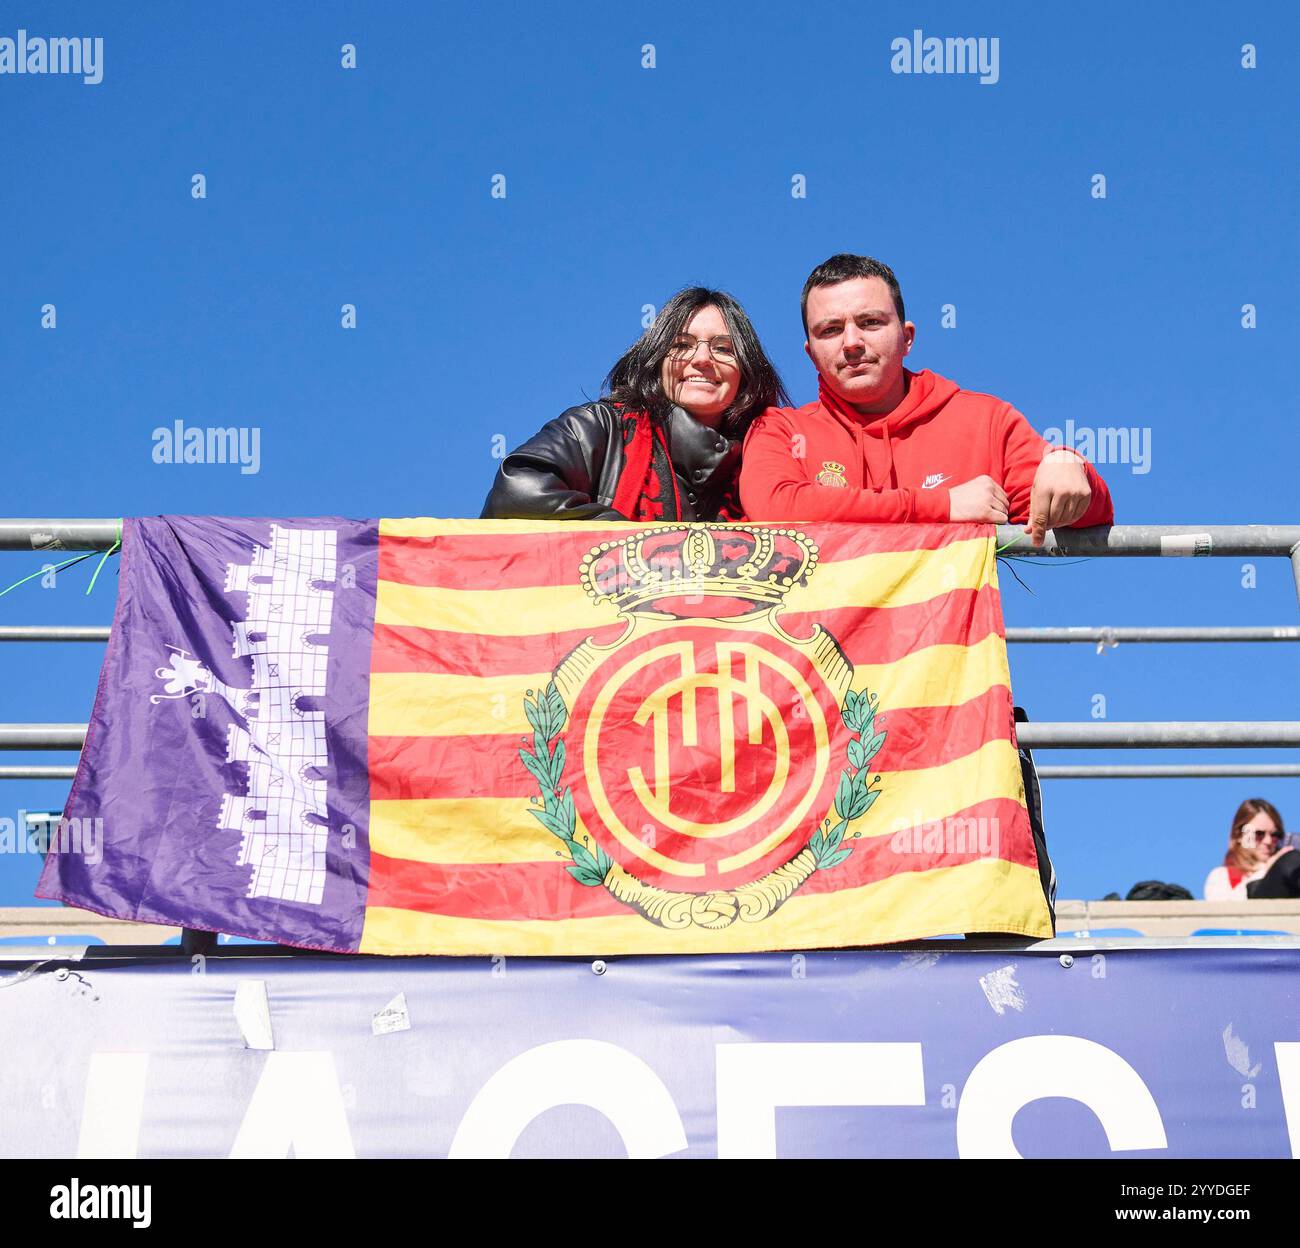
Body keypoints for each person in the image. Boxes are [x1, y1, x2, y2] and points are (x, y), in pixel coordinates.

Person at [738, 253, 1114, 543]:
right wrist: (944, 505)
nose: (851, 343)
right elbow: (776, 507)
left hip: (945, 645)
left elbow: (1086, 513)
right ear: (811, 353)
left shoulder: (983, 422)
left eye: (870, 322)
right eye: (831, 329)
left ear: (908, 338)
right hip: (817, 643)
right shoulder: (780, 430)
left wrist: (1070, 464)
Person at [482, 288, 789, 522]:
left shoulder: (770, 458)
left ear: (746, 371)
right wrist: (632, 545)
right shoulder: (601, 428)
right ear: (657, 361)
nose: (702, 359)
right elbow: (515, 493)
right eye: (682, 345)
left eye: (723, 348)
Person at [1204, 798, 1291, 899]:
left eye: (1275, 835)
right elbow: (1225, 908)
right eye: (1259, 834)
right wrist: (1269, 871)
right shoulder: (1221, 876)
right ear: (1239, 835)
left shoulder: (1289, 873)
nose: (1268, 841)